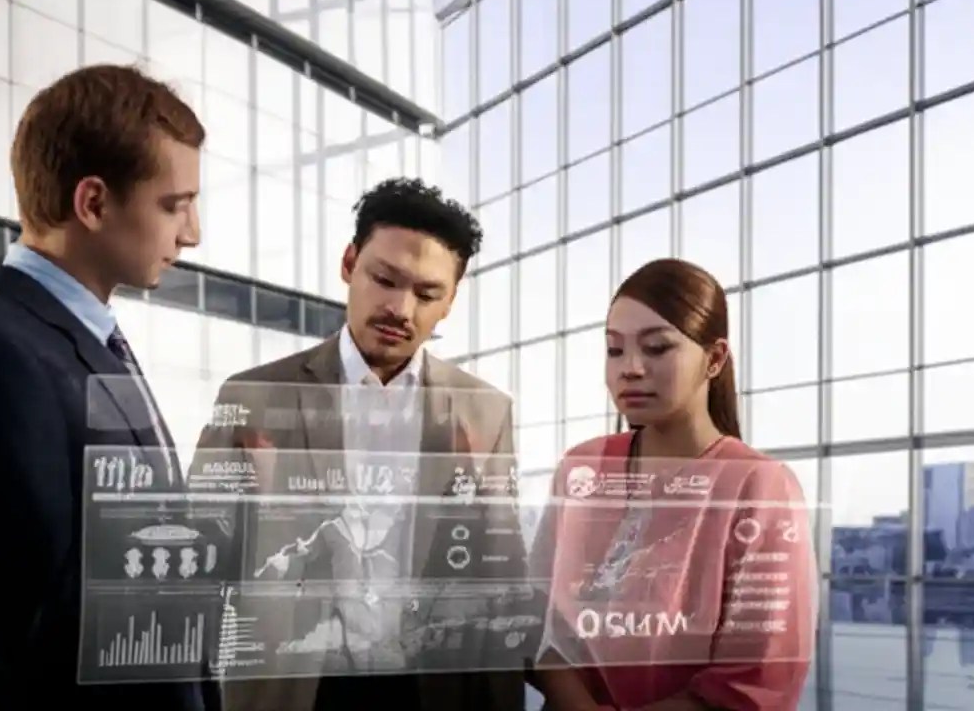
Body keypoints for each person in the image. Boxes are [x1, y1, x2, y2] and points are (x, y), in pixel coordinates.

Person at [0, 65, 218, 709]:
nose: (193, 233)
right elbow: (42, 626)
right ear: (93, 203)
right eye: (174, 205)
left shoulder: (85, 345)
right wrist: (222, 532)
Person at [194, 178, 528, 711]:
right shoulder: (254, 397)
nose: (400, 308)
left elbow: (501, 574)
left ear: (451, 301)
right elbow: (202, 561)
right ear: (349, 263)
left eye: (426, 293)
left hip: (429, 689)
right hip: (295, 688)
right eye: (384, 279)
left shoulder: (484, 410)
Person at [531, 259, 816, 711]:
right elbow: (538, 616)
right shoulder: (581, 468)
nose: (630, 368)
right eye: (614, 350)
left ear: (715, 359)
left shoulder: (759, 487)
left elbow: (754, 677)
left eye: (657, 348)